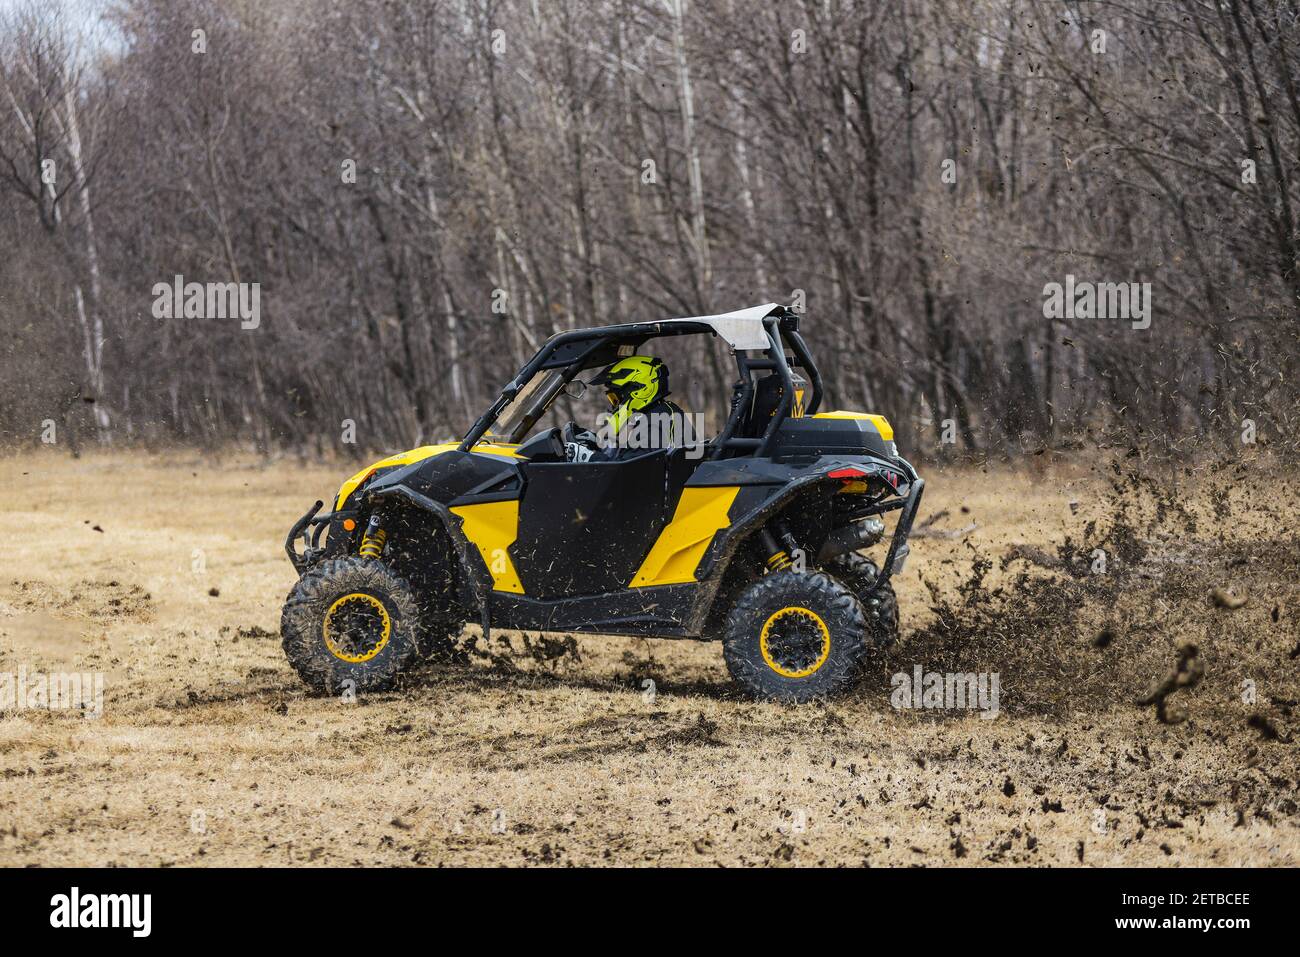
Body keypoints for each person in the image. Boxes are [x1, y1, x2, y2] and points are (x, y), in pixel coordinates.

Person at [565, 355, 693, 461]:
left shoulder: (657, 422)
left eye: (615, 398)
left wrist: (588, 457)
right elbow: (628, 455)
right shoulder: (658, 413)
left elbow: (629, 473)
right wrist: (597, 443)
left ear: (639, 390)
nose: (614, 405)